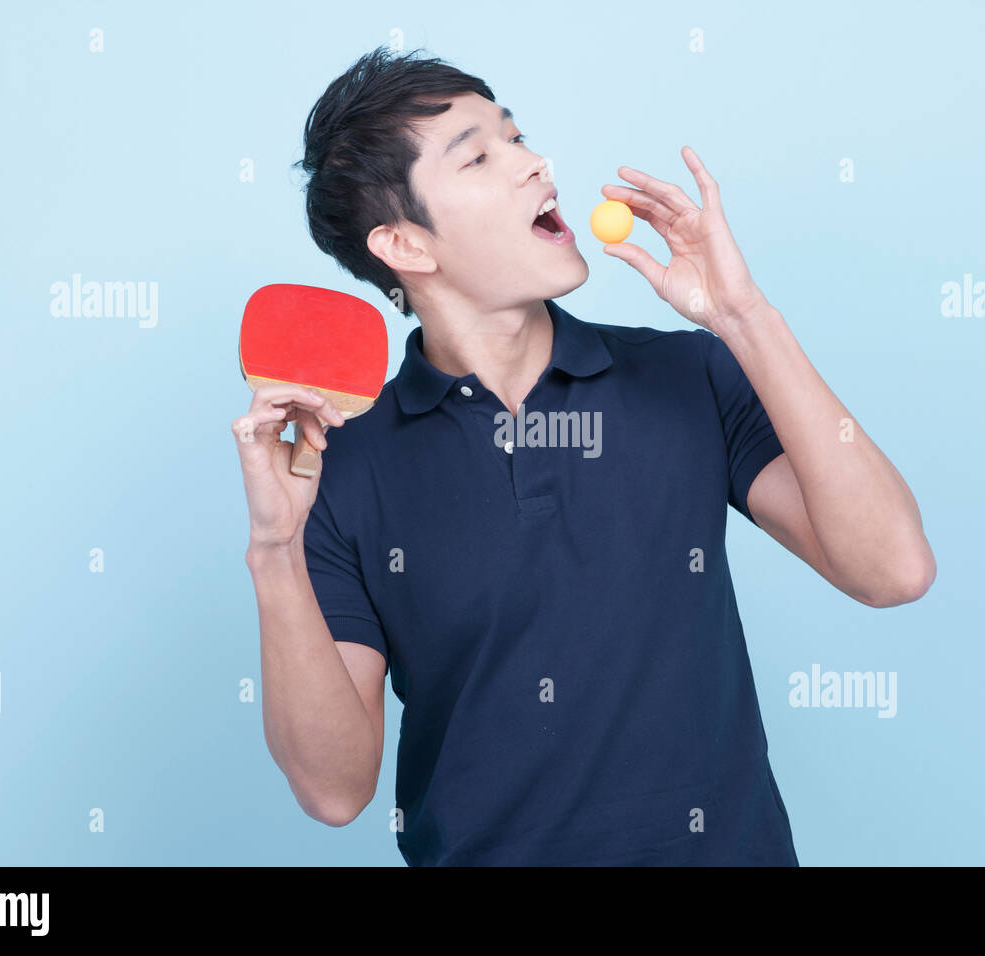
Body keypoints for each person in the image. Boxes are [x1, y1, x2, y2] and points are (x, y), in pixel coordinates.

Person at [232, 46, 935, 865]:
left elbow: (894, 570)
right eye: (482, 156)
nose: (537, 164)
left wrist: (744, 316)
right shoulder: (342, 471)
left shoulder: (689, 377)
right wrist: (275, 550)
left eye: (518, 136)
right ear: (406, 247)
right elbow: (333, 790)